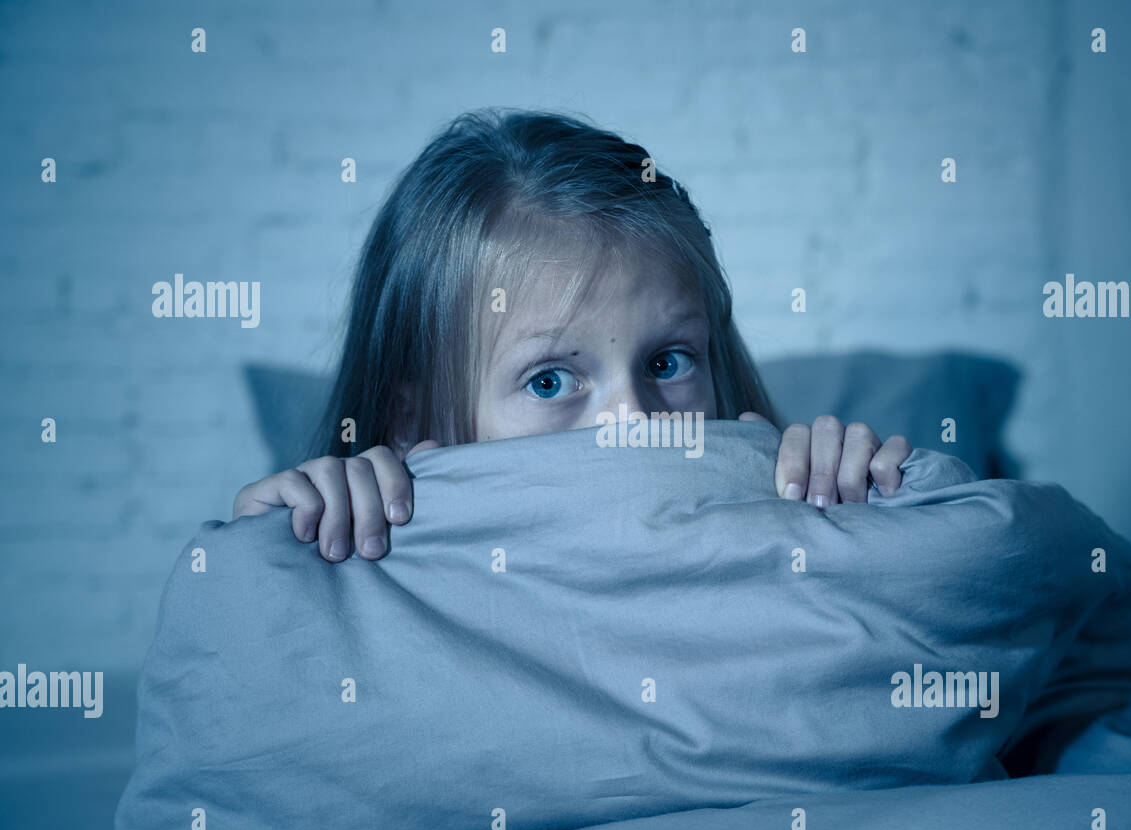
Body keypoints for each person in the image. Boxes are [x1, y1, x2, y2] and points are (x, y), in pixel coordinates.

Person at [232, 107, 912, 562]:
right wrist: (270, 555)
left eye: (670, 361)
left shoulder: (789, 525)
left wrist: (857, 508)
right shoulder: (353, 559)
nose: (636, 424)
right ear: (409, 417)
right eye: (550, 379)